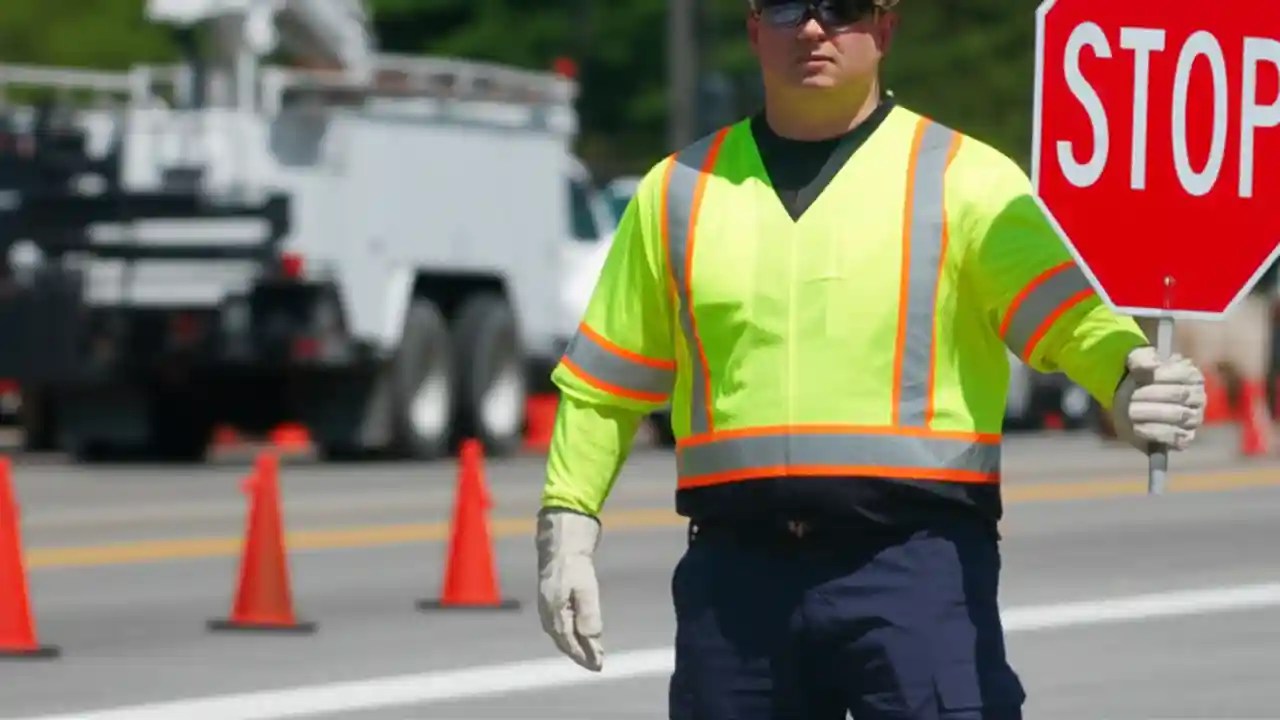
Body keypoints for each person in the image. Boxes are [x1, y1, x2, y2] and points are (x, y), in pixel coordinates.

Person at [534, 1, 1208, 718]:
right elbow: (605, 386)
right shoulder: (676, 192)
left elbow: (1071, 319)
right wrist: (567, 528)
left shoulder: (965, 179)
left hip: (915, 570)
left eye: (844, 7)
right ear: (753, 28)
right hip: (735, 585)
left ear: (886, 29)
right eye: (789, 6)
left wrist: (1126, 373)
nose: (816, 28)